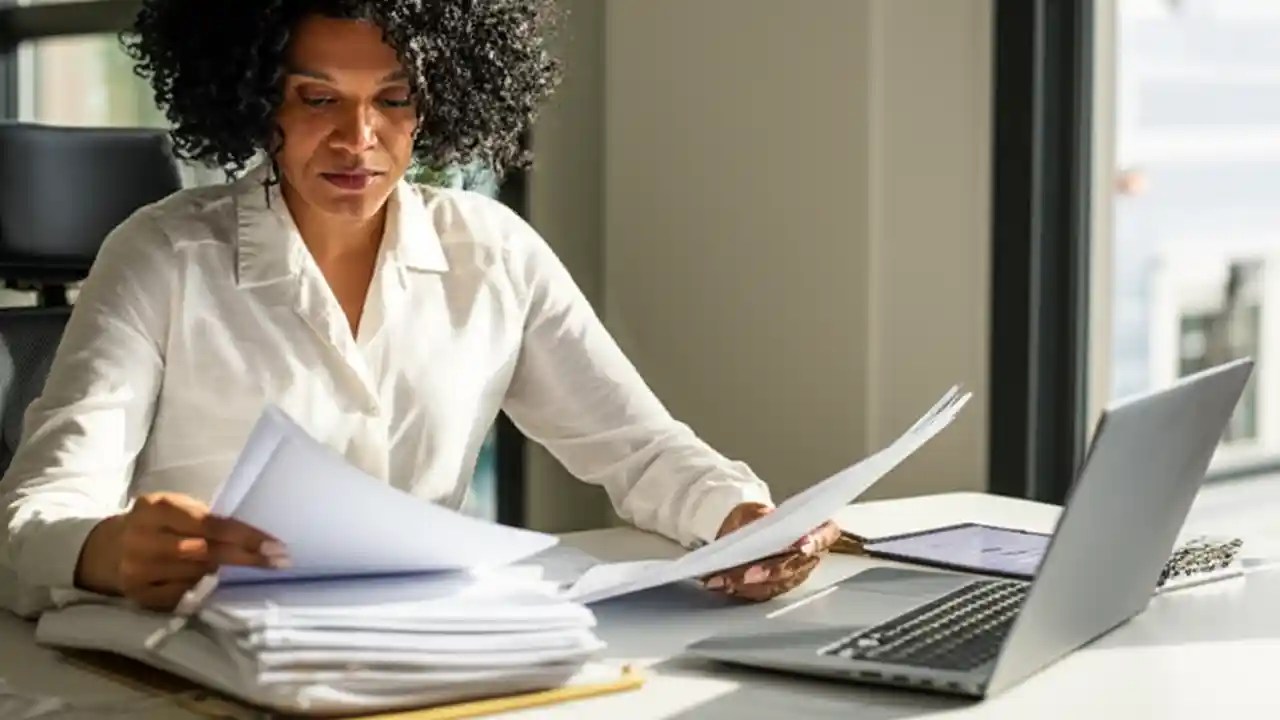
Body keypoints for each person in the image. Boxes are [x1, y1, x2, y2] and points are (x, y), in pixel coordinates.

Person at [0, 0, 841, 617]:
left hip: (425, 650)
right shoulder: (162, 256)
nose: (358, 138)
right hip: (197, 657)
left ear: (435, 103)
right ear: (257, 101)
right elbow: (30, 524)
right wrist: (104, 550)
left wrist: (743, 520)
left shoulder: (492, 250)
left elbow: (641, 450)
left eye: (394, 99)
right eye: (317, 98)